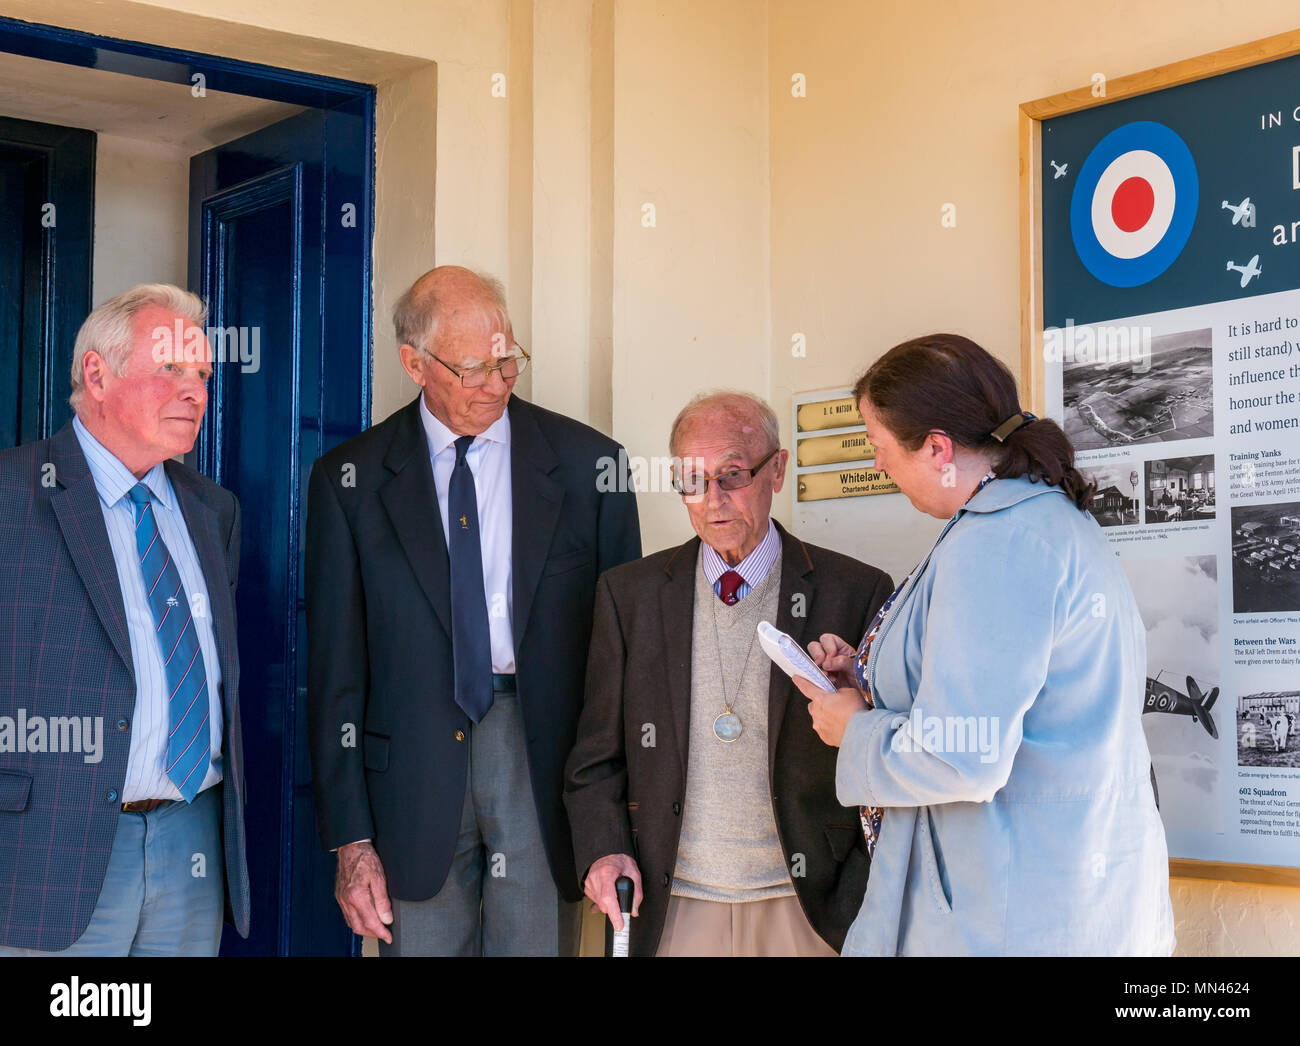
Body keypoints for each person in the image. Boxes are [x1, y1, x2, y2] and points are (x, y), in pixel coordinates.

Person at [797, 333, 1174, 956]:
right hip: (1059, 904)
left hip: (1012, 920)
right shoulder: (1039, 520)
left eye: (878, 445)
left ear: (937, 448)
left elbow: (961, 757)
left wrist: (854, 730)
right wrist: (867, 680)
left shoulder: (999, 542)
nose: (879, 465)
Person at [306, 266, 641, 956]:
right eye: (473, 369)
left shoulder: (592, 467)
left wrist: (613, 815)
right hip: (409, 775)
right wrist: (351, 838)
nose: (496, 383)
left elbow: (620, 661)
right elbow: (336, 667)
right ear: (414, 365)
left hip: (544, 761)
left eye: (507, 360)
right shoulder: (349, 480)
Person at [564, 392, 893, 956]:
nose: (712, 500)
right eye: (692, 480)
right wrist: (604, 850)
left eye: (733, 475)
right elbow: (596, 757)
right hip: (674, 906)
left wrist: (856, 893)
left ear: (777, 470)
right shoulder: (629, 596)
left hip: (810, 908)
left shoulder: (857, 591)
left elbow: (882, 759)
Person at [0, 285, 249, 955]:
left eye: (202, 374)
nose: (195, 391)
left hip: (191, 838)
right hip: (47, 845)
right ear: (97, 375)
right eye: (171, 368)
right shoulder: (11, 495)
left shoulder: (213, 510)